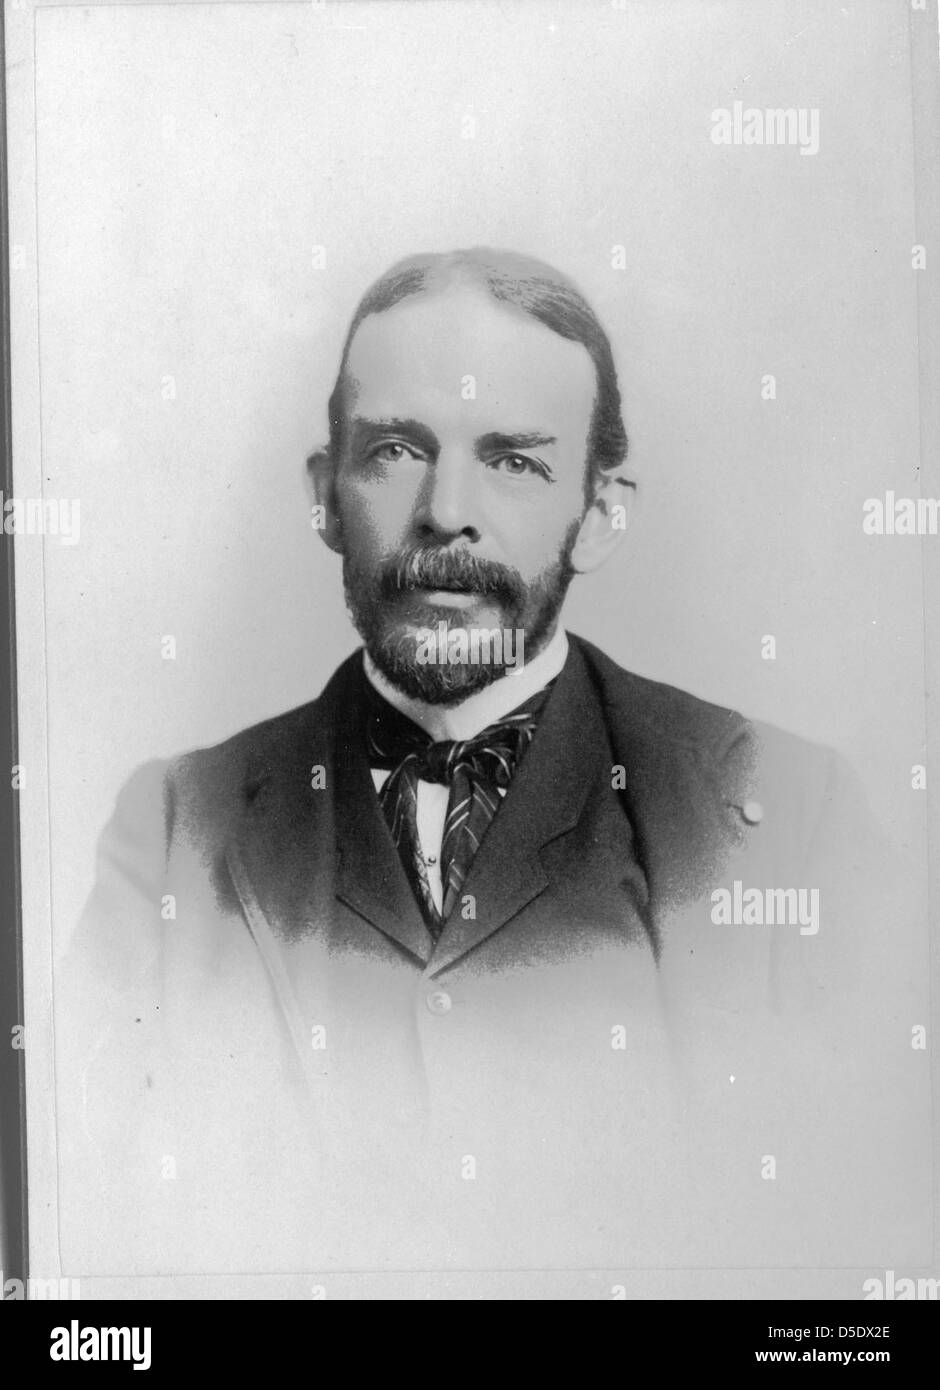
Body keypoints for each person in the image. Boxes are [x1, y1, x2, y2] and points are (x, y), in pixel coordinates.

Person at [57, 249, 924, 1278]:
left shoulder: (788, 816)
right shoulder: (172, 831)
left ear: (599, 514)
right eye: (393, 450)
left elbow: (867, 1232)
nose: (445, 510)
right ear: (325, 495)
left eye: (513, 458)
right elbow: (93, 1222)